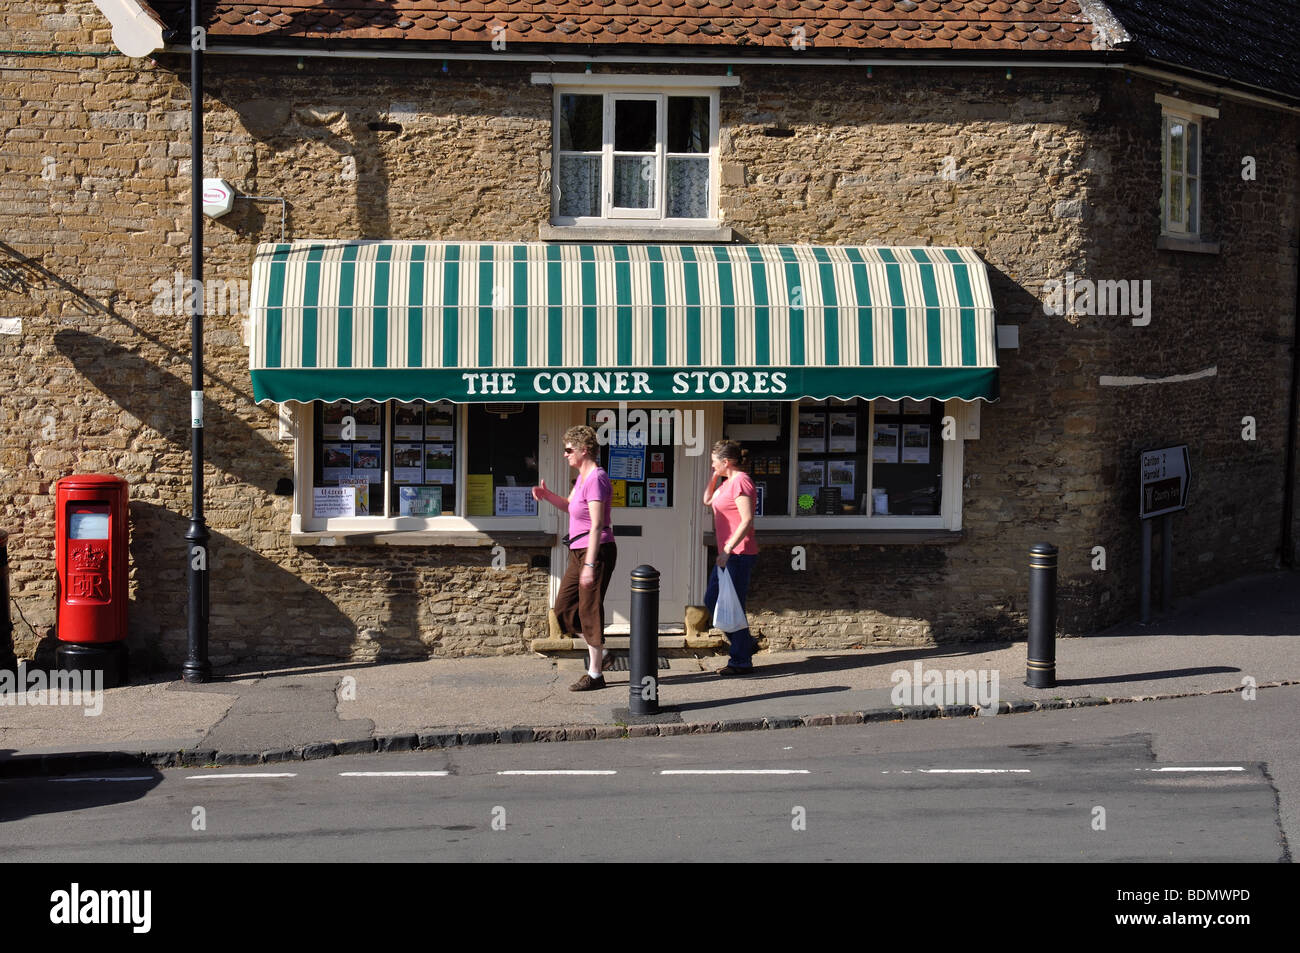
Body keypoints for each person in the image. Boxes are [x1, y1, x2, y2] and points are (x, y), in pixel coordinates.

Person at [533, 425, 617, 691]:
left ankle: (595, 674)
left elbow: (596, 524)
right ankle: (602, 654)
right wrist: (547, 497)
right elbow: (571, 507)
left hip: (596, 550)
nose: (565, 454)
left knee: (589, 608)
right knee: (564, 609)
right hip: (578, 551)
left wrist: (590, 564)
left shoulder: (596, 478)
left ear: (584, 450)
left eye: (569, 450)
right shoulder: (582, 476)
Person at [702, 439, 759, 675]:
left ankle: (741, 660)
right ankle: (744, 645)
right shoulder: (726, 483)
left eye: (715, 462)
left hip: (738, 553)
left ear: (726, 461)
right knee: (712, 601)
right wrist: (715, 476)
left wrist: (727, 550)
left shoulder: (742, 481)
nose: (712, 465)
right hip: (728, 554)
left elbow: (746, 520)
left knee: (731, 607)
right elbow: (707, 500)